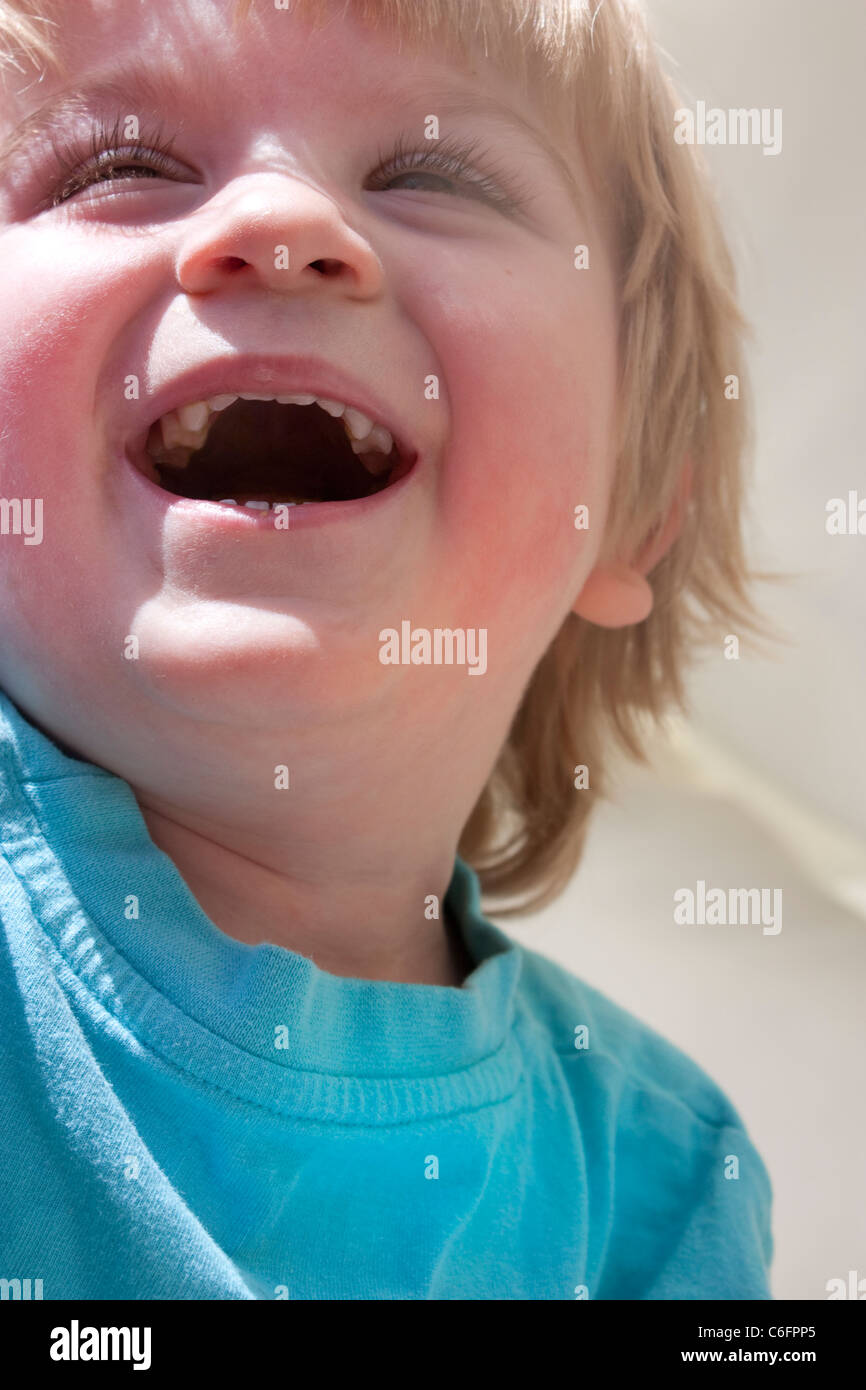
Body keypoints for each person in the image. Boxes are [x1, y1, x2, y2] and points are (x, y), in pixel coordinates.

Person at [0, 0, 772, 1299]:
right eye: (120, 165)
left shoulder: (656, 1184)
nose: (274, 226)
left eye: (429, 171)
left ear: (637, 502)